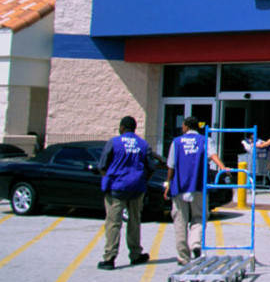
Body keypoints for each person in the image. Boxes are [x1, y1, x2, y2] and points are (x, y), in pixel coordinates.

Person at [164, 116, 232, 265]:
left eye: (183, 126)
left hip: (180, 188)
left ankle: (183, 257)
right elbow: (213, 155)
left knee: (180, 222)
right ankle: (195, 244)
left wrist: (168, 184)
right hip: (199, 187)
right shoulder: (205, 140)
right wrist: (223, 168)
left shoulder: (176, 142)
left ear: (186, 127)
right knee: (198, 218)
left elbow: (171, 167)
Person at [97, 115, 152, 270]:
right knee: (134, 222)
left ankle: (109, 258)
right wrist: (142, 179)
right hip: (136, 187)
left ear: (122, 128)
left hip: (116, 188)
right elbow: (151, 166)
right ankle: (135, 254)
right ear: (134, 128)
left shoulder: (114, 143)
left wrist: (107, 177)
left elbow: (102, 164)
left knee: (113, 223)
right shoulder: (143, 144)